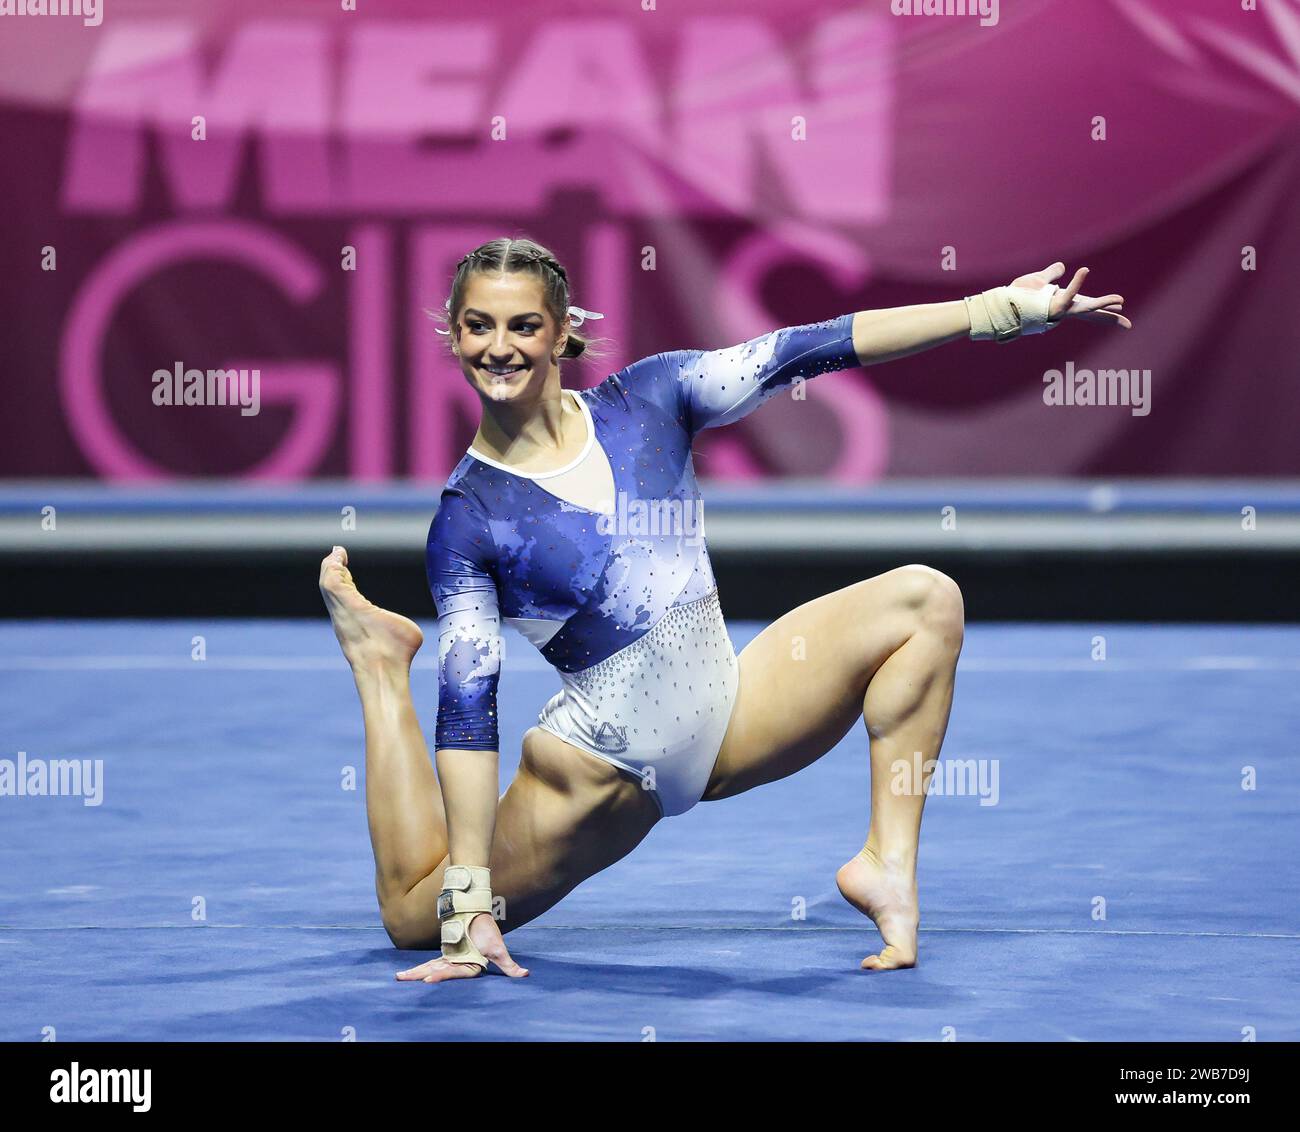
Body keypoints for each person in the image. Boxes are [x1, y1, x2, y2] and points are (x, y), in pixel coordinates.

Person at [319, 236, 1129, 983]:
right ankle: (379, 665)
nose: (500, 347)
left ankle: (886, 864)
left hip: (730, 715)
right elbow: (469, 709)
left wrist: (997, 311)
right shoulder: (468, 519)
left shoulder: (655, 397)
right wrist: (465, 906)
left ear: (563, 330)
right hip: (598, 778)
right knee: (409, 914)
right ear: (453, 336)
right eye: (478, 327)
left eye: (523, 324)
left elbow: (821, 343)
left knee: (926, 601)